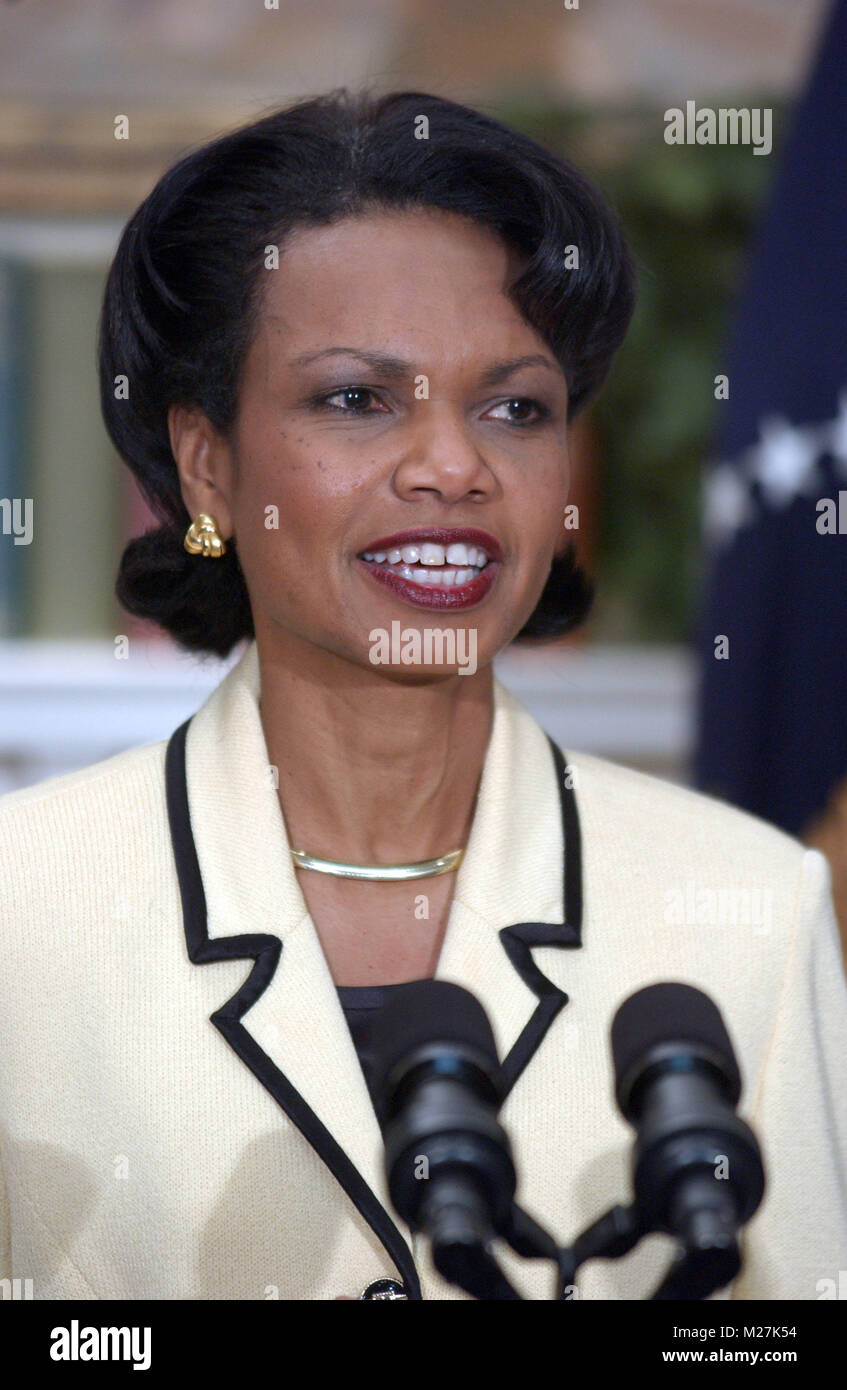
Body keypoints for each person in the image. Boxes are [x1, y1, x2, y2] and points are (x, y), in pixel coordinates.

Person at [0, 89, 844, 1302]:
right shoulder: (20, 908)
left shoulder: (752, 910)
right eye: (356, 398)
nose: (453, 463)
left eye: (514, 407)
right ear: (207, 463)